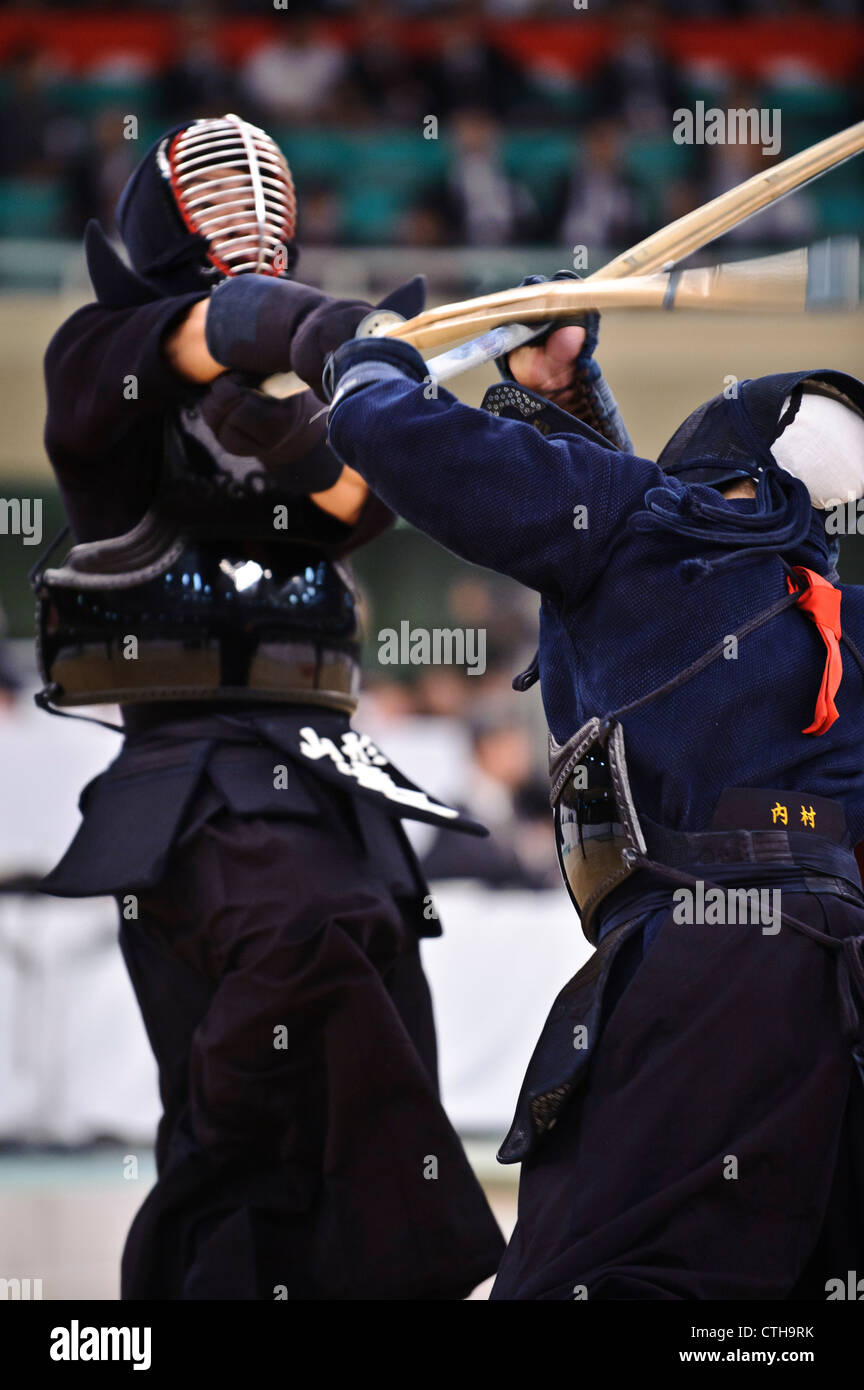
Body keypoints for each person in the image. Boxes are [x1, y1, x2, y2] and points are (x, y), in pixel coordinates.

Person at [297, 289, 864, 1300]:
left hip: (706, 959)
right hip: (838, 984)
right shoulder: (820, 605)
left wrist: (367, 366)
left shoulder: (644, 528)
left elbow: (417, 444)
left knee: (592, 1274)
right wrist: (568, 389)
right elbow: (647, 544)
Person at [37, 113, 504, 1301]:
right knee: (281, 1021)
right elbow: (218, 328)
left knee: (332, 1078)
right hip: (197, 789)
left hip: (333, 784)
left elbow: (362, 498)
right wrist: (324, 329)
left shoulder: (295, 434)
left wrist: (473, 374)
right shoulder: (101, 361)